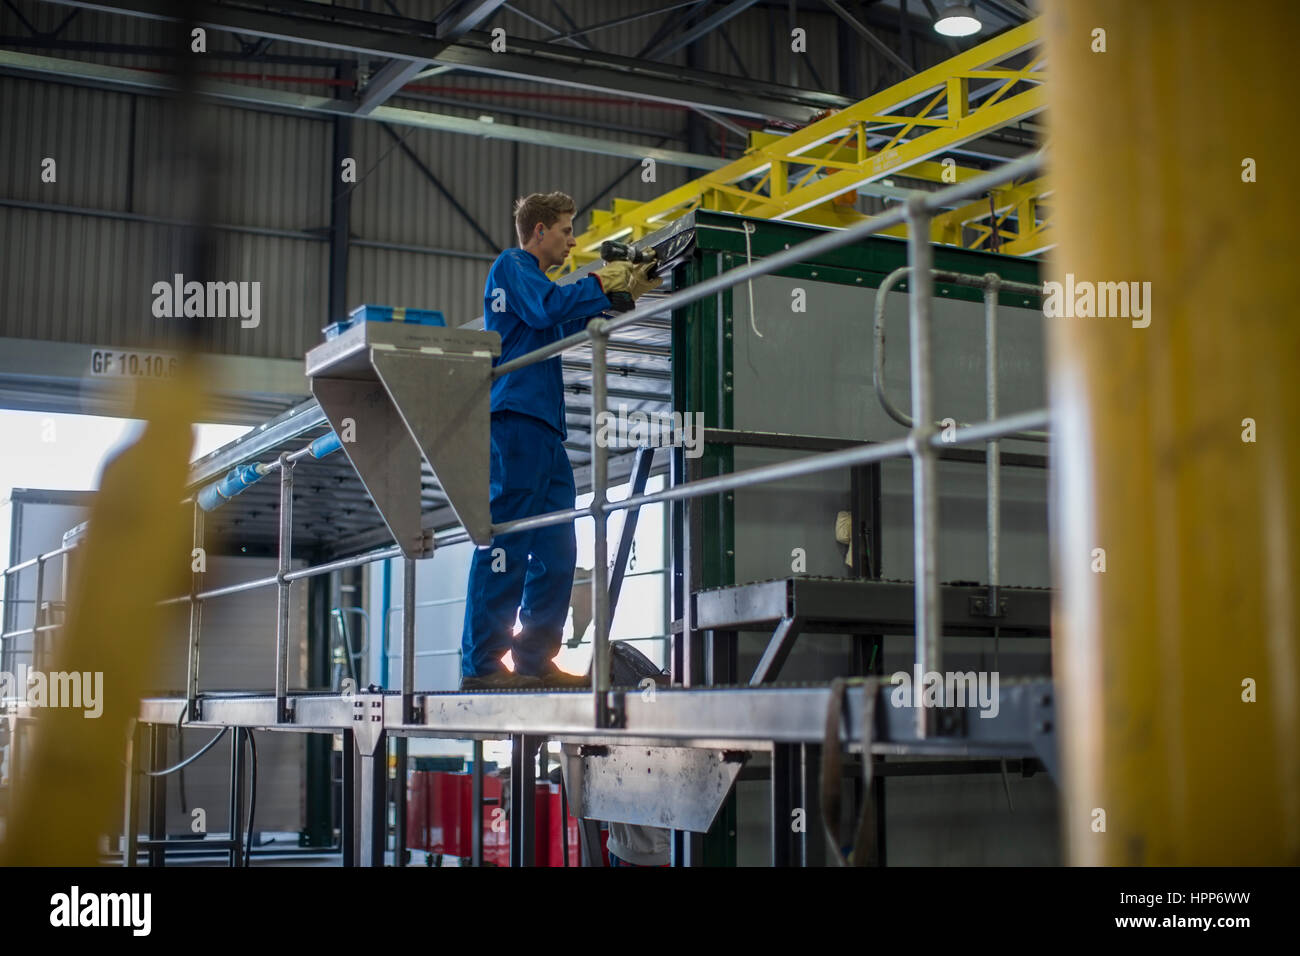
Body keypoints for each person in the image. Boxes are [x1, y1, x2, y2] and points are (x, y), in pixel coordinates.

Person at [460, 191, 660, 690]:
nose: (573, 240)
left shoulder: (540, 287)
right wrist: (598, 281)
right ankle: (483, 664)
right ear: (540, 230)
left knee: (558, 546)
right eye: (567, 230)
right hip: (515, 420)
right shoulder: (513, 266)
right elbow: (549, 308)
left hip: (546, 429)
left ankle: (533, 658)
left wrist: (626, 290)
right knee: (507, 541)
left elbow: (567, 321)